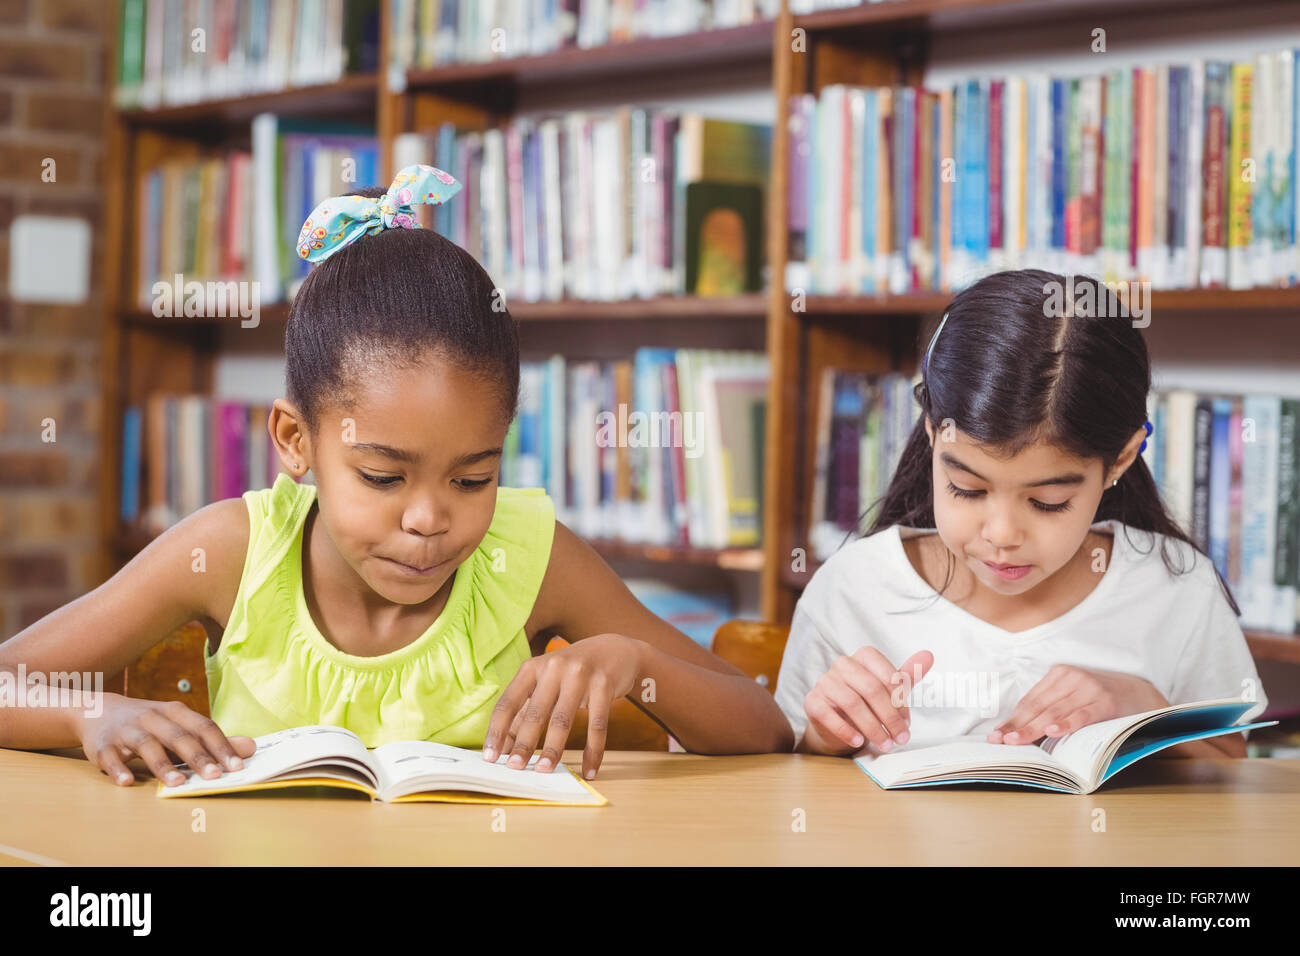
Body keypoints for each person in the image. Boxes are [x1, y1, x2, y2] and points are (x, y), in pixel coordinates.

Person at [0, 165, 793, 787]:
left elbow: (763, 727)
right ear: (295, 439)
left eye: (472, 478)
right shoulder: (232, 552)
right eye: (382, 478)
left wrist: (638, 661)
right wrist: (87, 714)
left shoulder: (533, 555)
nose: (428, 520)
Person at [775, 269, 1268, 759]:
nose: (1002, 535)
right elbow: (789, 772)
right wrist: (826, 736)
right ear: (932, 434)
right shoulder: (852, 589)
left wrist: (1144, 706)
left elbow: (1231, 770)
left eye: (1047, 502)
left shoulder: (1176, 589)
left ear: (1120, 458)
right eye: (966, 489)